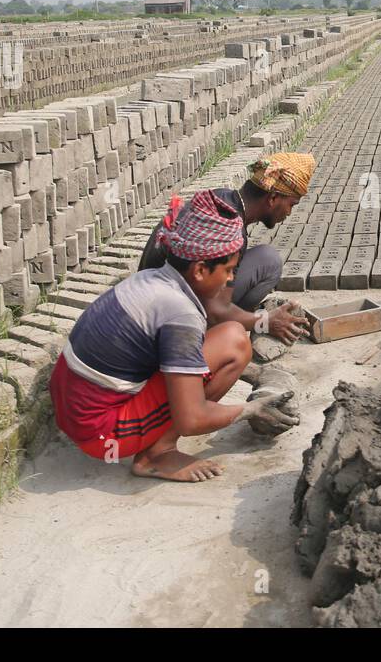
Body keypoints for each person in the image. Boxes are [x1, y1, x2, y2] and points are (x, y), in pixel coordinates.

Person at [51, 190, 298, 482]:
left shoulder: (150, 280)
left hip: (70, 407)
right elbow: (192, 418)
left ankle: (153, 443)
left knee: (226, 337)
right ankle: (156, 455)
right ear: (200, 270)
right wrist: (251, 409)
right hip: (99, 433)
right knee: (235, 344)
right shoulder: (181, 313)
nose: (231, 279)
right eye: (229, 270)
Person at [139, 153, 316, 345]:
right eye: (291, 204)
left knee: (267, 259)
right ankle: (210, 339)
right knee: (269, 263)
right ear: (273, 198)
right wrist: (266, 322)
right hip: (163, 323)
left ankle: (228, 322)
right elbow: (215, 311)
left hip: (150, 295)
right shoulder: (229, 230)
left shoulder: (221, 197)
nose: (289, 213)